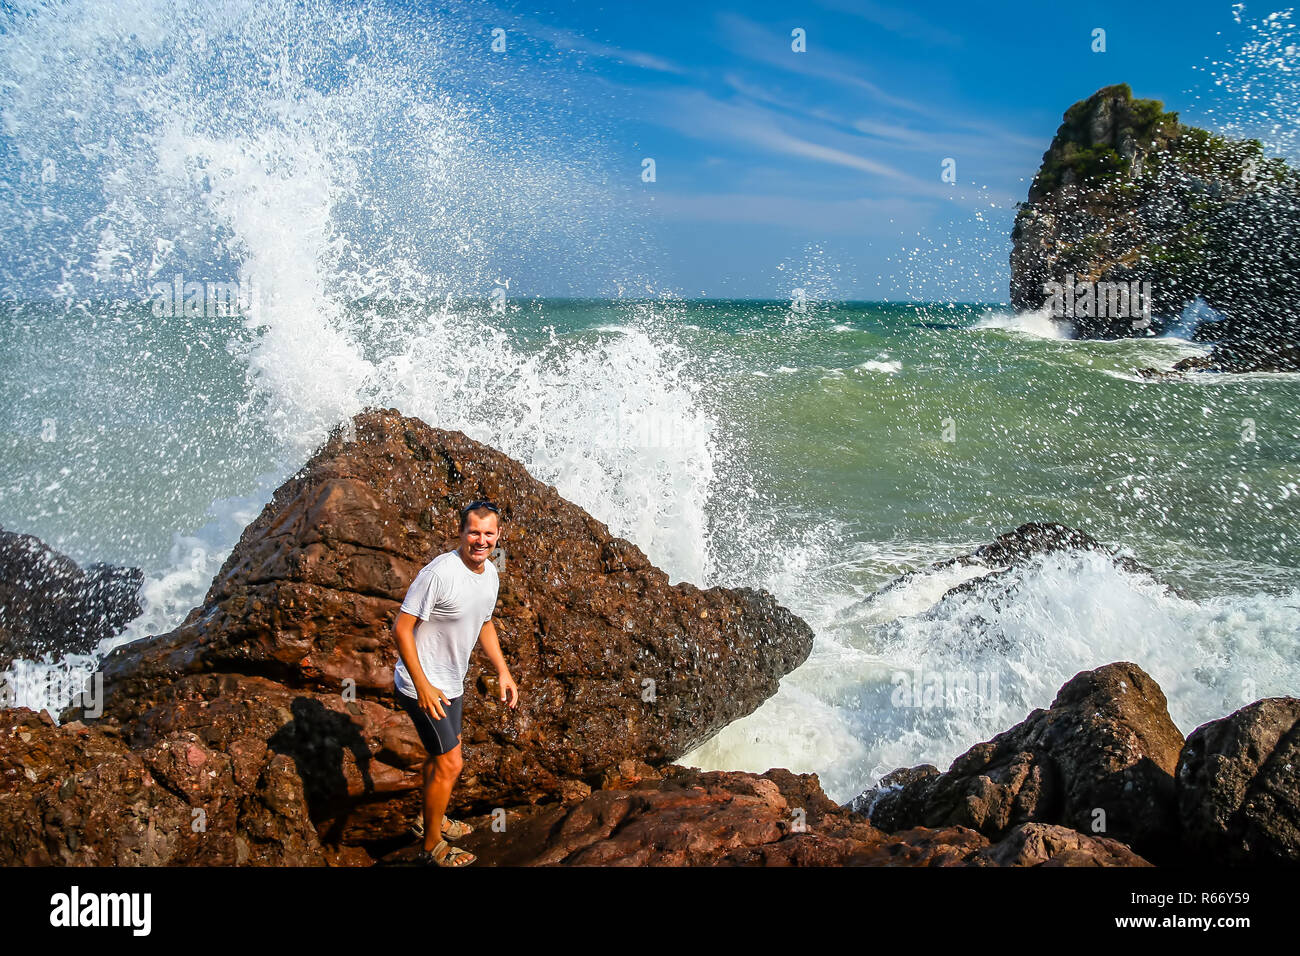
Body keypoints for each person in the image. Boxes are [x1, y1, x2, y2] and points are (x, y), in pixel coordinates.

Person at [392, 499, 519, 867]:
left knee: (442, 758)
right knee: (451, 764)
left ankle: (428, 816)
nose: (481, 540)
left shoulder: (490, 574)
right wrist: (423, 686)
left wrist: (503, 671)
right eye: (474, 532)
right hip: (422, 686)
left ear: (498, 536)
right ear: (461, 532)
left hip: (452, 684)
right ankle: (431, 846)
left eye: (488, 534)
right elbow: (401, 629)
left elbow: (485, 622)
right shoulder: (438, 574)